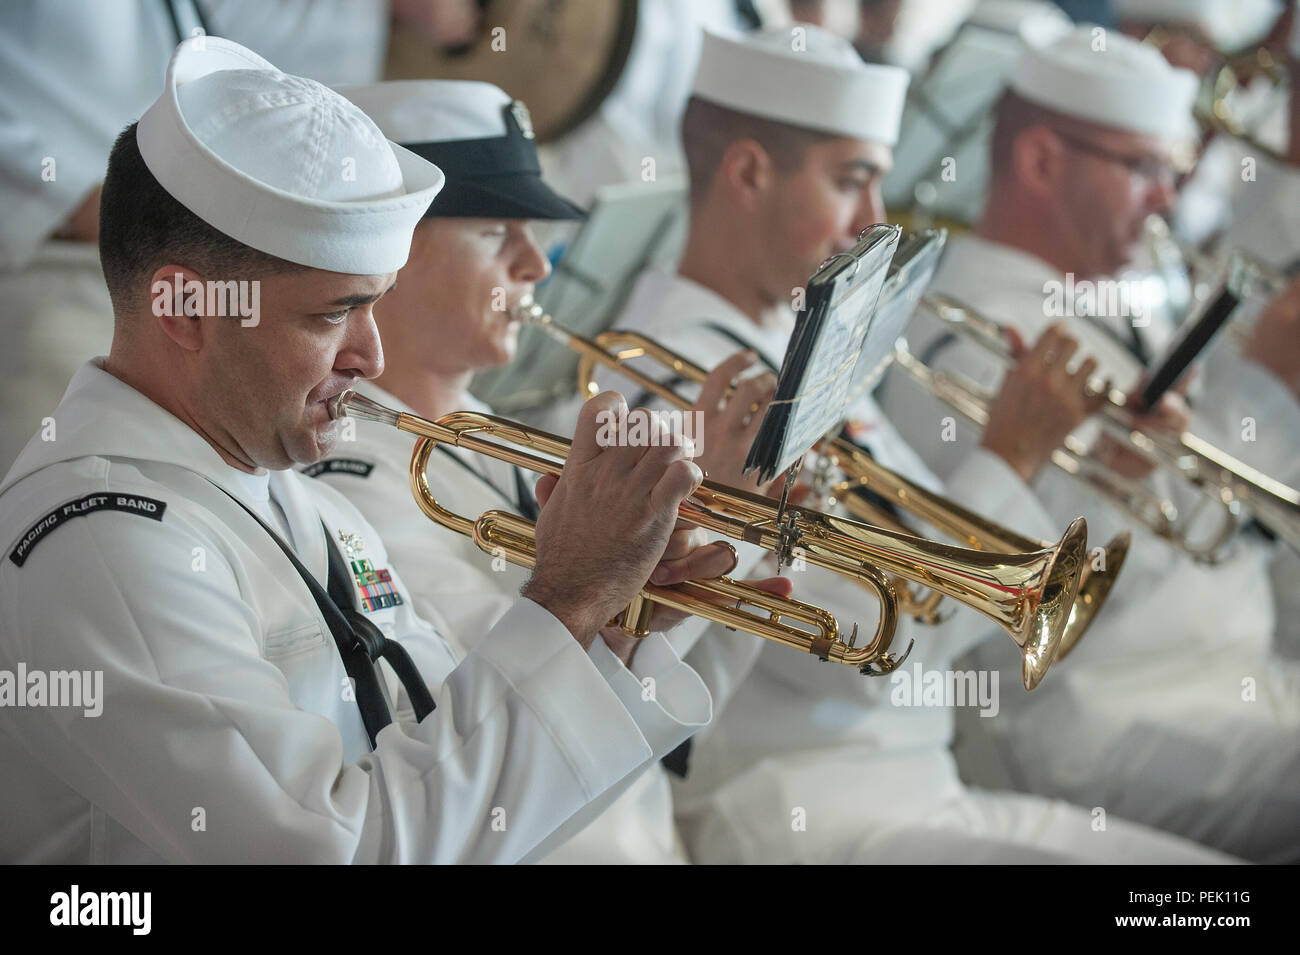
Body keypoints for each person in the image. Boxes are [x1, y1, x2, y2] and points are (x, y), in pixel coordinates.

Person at [0, 37, 723, 864]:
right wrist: (568, 598)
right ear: (184, 306)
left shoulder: (293, 498)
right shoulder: (102, 540)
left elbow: (464, 807)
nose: (371, 357)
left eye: (374, 306)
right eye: (331, 314)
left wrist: (607, 626)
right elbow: (336, 851)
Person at [589, 25, 1233, 863]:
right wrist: (1011, 458)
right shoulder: (685, 379)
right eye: (851, 181)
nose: (874, 221)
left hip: (923, 787)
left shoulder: (790, 350)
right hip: (809, 814)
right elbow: (871, 650)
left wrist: (1079, 471)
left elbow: (918, 569)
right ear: (748, 173)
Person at [304, 78, 788, 863]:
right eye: (498, 232)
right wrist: (626, 575)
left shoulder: (497, 435)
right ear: (385, 255)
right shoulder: (350, 476)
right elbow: (495, 710)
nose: (536, 264)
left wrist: (727, 535)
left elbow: (662, 718)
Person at [878, 24, 1300, 862]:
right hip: (1097, 721)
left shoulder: (1116, 296)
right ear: (1040, 163)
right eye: (1143, 169)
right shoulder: (971, 338)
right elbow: (995, 609)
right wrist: (1258, 395)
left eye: (1172, 174)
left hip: (1232, 682)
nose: (1166, 201)